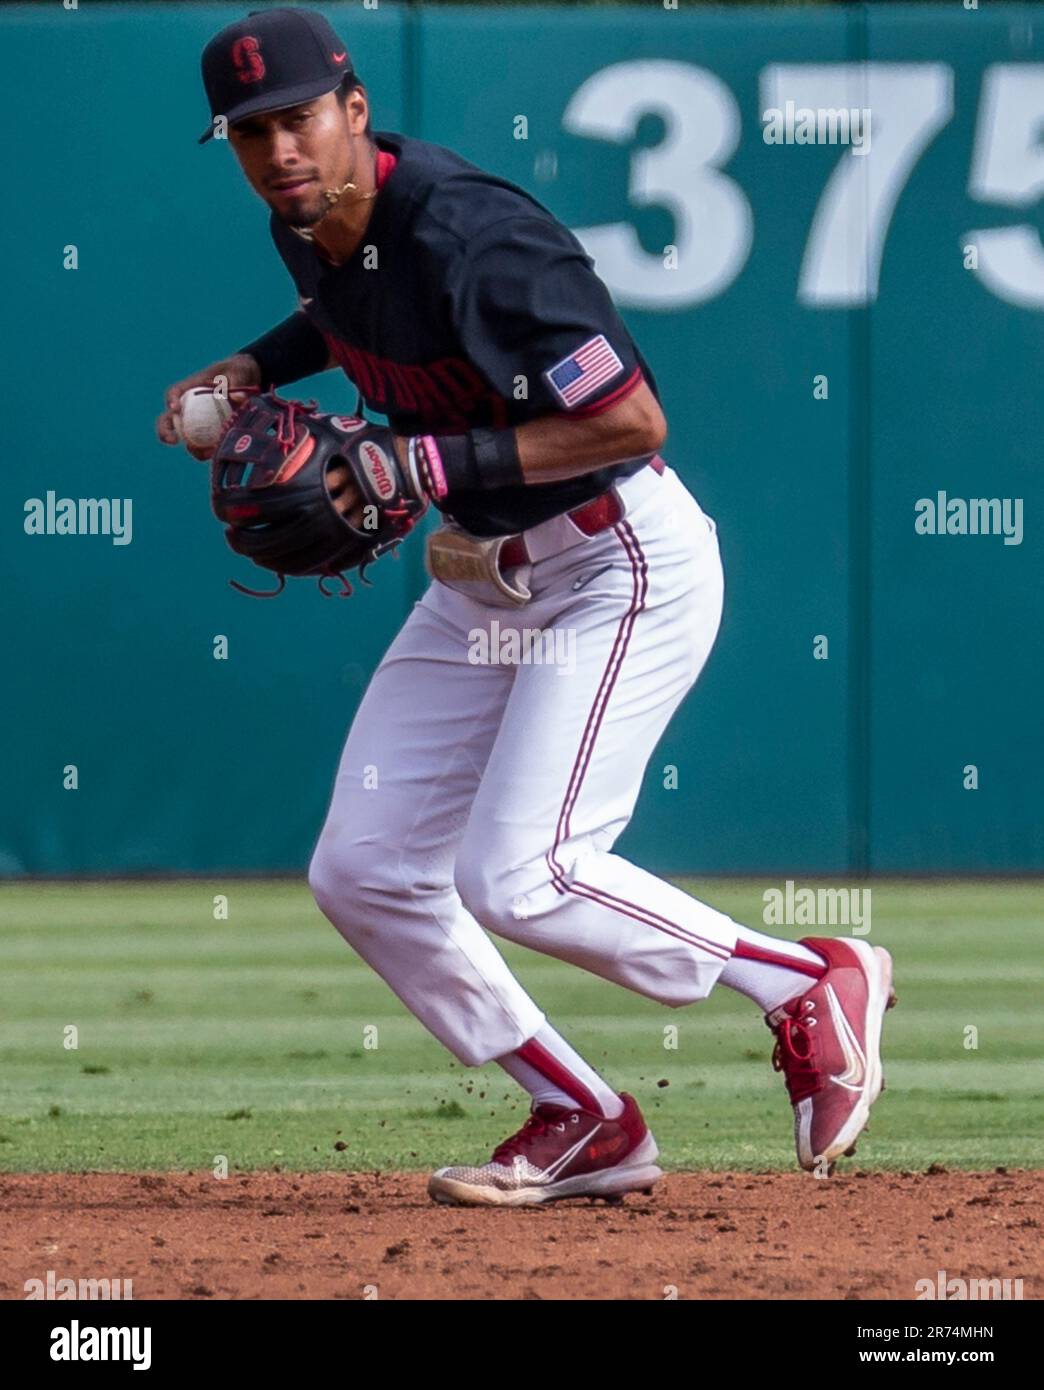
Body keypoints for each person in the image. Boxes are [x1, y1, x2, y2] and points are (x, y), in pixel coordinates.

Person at [157, 7, 894, 1207]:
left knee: (526, 872)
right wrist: (254, 365)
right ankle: (584, 1114)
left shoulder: (475, 236)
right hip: (492, 568)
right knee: (363, 868)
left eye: (296, 119)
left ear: (353, 109)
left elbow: (633, 421)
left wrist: (426, 469)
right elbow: (347, 313)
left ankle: (807, 975)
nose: (278, 150)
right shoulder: (313, 221)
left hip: (618, 560)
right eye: (250, 133)